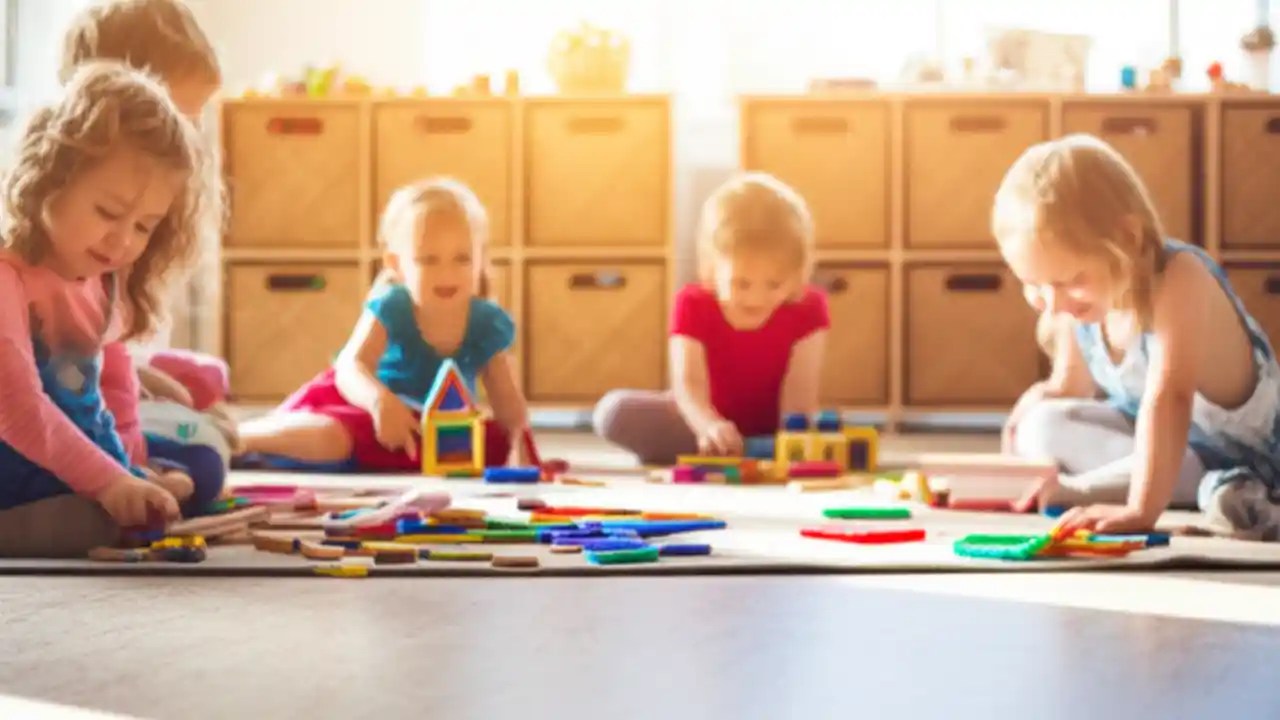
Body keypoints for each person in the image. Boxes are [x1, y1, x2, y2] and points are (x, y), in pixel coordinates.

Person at [997, 133, 1280, 539]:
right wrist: (1026, 414)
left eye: (1071, 280)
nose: (1053, 302)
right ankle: (1104, 486)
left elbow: (1170, 398)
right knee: (1040, 424)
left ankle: (1093, 490)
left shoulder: (1179, 278)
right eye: (1034, 284)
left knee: (1180, 459)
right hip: (1166, 448)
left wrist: (1140, 511)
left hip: (1243, 458)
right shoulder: (1078, 302)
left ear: (1127, 240)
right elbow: (1070, 387)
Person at [593, 172, 829, 464]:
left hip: (771, 432)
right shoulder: (693, 304)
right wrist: (708, 425)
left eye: (775, 284)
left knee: (820, 430)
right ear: (713, 266)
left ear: (797, 274)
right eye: (741, 283)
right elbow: (688, 385)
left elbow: (799, 398)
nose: (756, 298)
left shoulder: (808, 307)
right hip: (700, 421)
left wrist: (792, 445)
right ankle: (720, 448)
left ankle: (740, 450)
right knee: (614, 411)